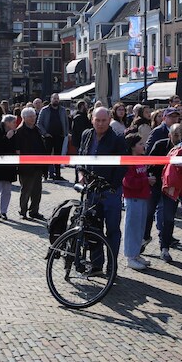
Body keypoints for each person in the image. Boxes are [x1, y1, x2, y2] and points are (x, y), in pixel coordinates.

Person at [79, 107, 129, 272]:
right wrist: (80, 172)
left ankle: (112, 266)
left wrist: (113, 186)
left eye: (103, 121)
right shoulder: (87, 135)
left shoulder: (118, 138)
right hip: (91, 190)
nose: (100, 124)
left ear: (109, 120)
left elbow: (123, 165)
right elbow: (80, 155)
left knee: (113, 229)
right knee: (94, 228)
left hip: (110, 192)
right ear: (92, 119)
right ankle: (96, 264)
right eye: (97, 120)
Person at [149, 121, 182, 262]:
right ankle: (145, 237)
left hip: (172, 189)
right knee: (148, 213)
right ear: (169, 135)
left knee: (168, 219)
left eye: (179, 135)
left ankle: (164, 248)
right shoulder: (160, 145)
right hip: (157, 184)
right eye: (175, 135)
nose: (177, 138)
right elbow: (150, 163)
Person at [121, 133, 154, 270]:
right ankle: (130, 257)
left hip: (142, 197)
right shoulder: (128, 161)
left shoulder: (141, 159)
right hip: (133, 198)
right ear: (133, 147)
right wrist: (146, 181)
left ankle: (136, 254)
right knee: (132, 228)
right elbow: (128, 182)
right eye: (140, 144)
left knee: (140, 228)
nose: (143, 145)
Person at [13, 106, 47, 220]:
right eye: (30, 117)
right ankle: (23, 211)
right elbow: (17, 149)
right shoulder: (20, 131)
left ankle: (34, 211)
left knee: (37, 190)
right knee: (26, 190)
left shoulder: (37, 129)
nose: (33, 118)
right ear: (24, 118)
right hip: (26, 166)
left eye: (34, 116)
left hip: (38, 165)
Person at [37, 93, 70, 181]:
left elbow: (66, 122)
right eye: (54, 98)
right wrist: (45, 133)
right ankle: (45, 175)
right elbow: (39, 123)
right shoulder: (45, 110)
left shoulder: (62, 110)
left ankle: (58, 174)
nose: (56, 100)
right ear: (51, 99)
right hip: (48, 136)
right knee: (47, 156)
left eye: (57, 98)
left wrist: (65, 132)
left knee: (58, 155)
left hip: (59, 136)